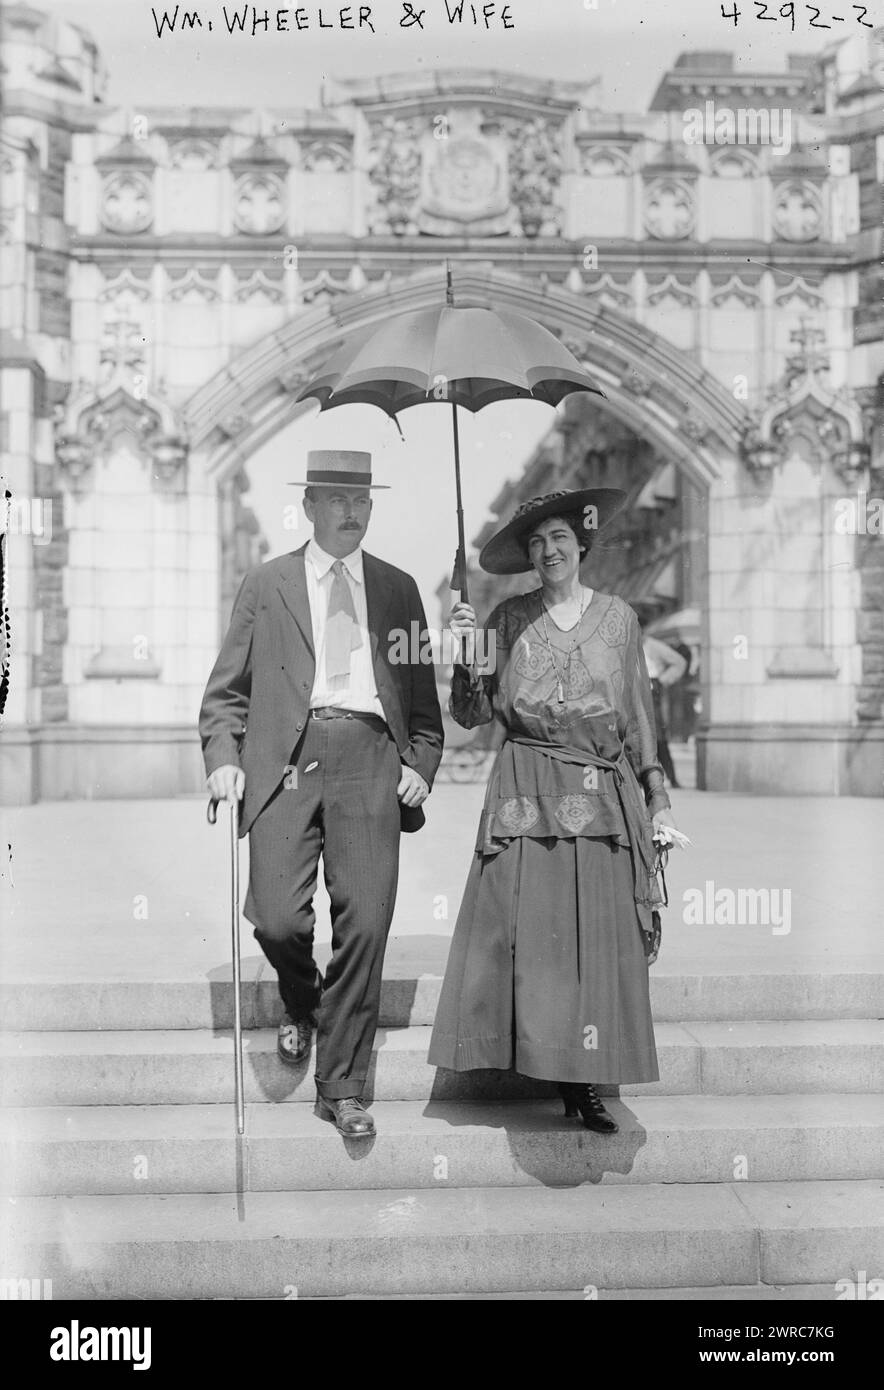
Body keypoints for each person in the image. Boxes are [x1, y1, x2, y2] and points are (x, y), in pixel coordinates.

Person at [199, 450, 444, 1139]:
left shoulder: (398, 591)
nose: (351, 512)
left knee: (365, 923)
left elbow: (424, 709)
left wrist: (420, 763)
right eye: (336, 499)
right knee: (277, 918)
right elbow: (224, 696)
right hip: (285, 761)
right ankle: (303, 1005)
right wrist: (224, 759)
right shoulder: (268, 583)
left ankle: (344, 1088)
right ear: (308, 505)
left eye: (361, 499)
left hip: (370, 758)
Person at [427, 489, 686, 1133]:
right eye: (537, 542)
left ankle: (584, 1076)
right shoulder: (507, 618)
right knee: (533, 935)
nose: (550, 551)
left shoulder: (621, 619)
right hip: (526, 788)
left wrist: (656, 801)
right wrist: (465, 652)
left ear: (581, 545)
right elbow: (470, 712)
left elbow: (637, 719)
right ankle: (545, 1061)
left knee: (591, 939)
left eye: (560, 538)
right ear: (529, 556)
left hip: (601, 796)